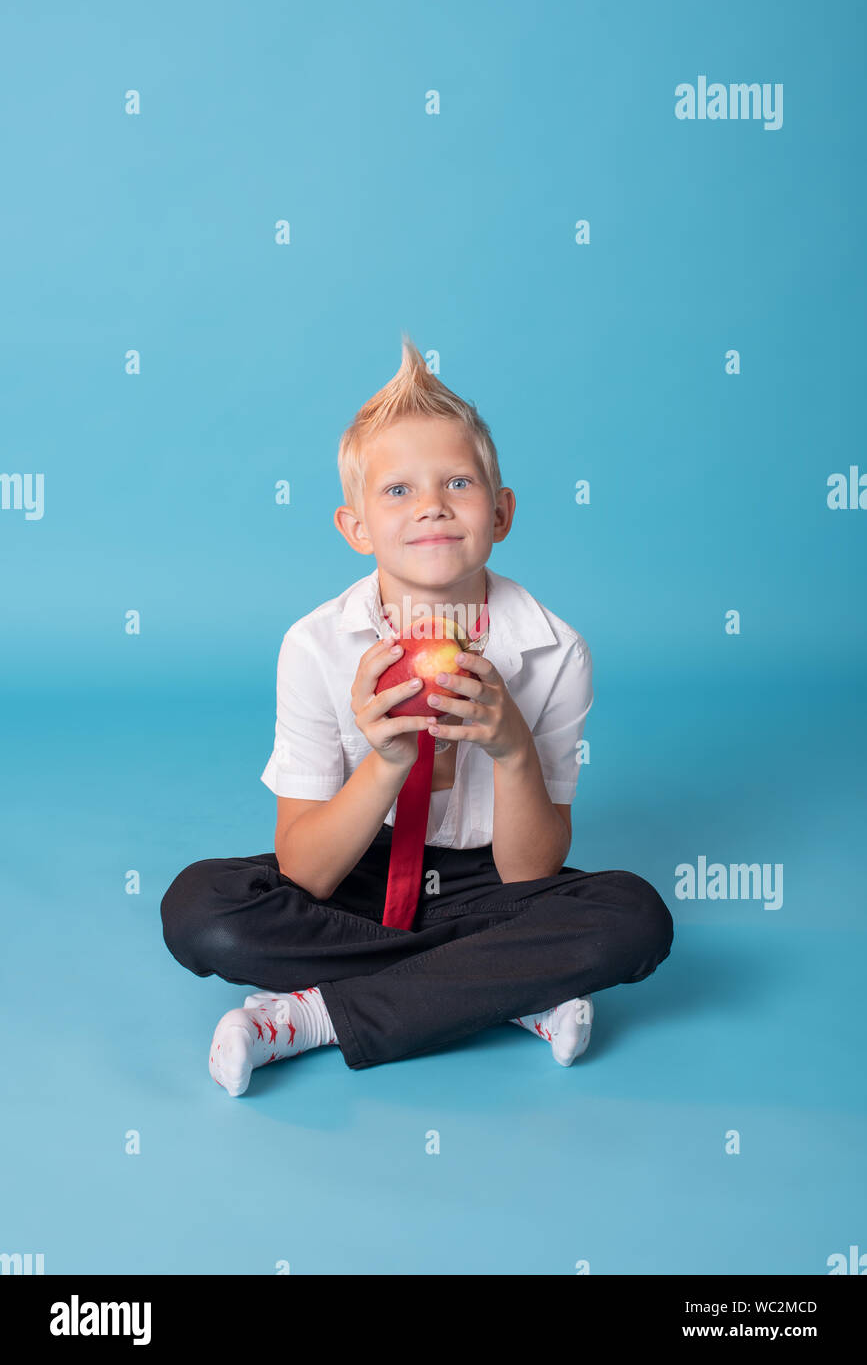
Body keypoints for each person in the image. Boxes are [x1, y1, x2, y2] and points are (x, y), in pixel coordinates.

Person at [159, 336, 674, 1095]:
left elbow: (527, 869)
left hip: (489, 886)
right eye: (396, 490)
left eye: (457, 483)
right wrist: (387, 760)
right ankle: (505, 989)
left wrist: (512, 749)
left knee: (634, 917)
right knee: (202, 909)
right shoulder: (313, 645)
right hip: (357, 879)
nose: (430, 504)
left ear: (499, 513)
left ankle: (309, 1018)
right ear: (356, 528)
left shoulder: (554, 650)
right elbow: (305, 869)